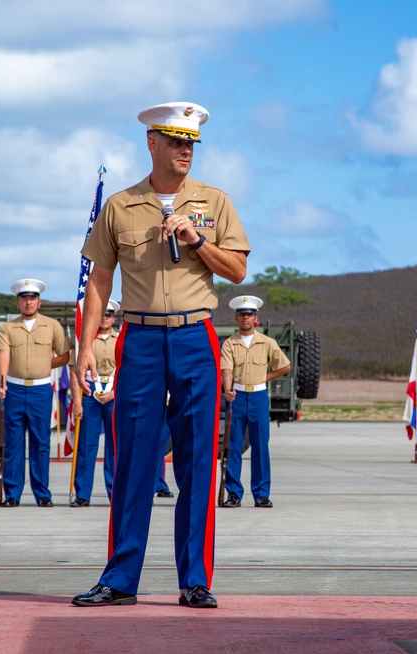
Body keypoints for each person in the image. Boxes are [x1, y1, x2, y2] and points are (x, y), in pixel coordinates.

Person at [72, 101, 249, 608]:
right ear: (152, 144)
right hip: (141, 339)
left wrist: (197, 240)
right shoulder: (120, 206)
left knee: (197, 459)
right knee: (133, 458)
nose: (184, 151)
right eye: (175, 142)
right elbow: (100, 280)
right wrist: (85, 346)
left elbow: (236, 270)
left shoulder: (214, 202)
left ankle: (195, 580)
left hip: (195, 336)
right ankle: (120, 579)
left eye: (191, 143)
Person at [0, 279, 72, 507]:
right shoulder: (8, 328)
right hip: (15, 389)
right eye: (24, 299)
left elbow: (65, 355)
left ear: (39, 302)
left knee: (41, 442)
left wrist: (45, 366)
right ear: (17, 303)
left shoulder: (52, 326)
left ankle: (42, 493)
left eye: (32, 298)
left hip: (41, 390)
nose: (29, 303)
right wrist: (2, 383)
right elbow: (4, 354)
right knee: (13, 443)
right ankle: (12, 494)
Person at [220, 296, 290, 508]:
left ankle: (261, 494)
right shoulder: (230, 343)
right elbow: (227, 370)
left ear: (255, 317)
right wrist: (227, 390)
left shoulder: (267, 342)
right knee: (234, 446)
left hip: (259, 397)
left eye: (249, 314)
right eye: (242, 314)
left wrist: (265, 378)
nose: (246, 318)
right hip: (237, 397)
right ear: (236, 318)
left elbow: (284, 366)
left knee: (260, 446)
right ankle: (233, 493)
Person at [69, 300, 120, 507]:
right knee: (86, 445)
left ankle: (116, 493)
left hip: (114, 395)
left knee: (115, 447)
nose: (105, 319)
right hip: (90, 394)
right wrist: (77, 401)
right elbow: (75, 371)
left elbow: (129, 370)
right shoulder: (85, 341)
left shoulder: (121, 340)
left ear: (114, 318)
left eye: (109, 315)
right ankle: (82, 494)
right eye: (102, 315)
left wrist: (115, 393)